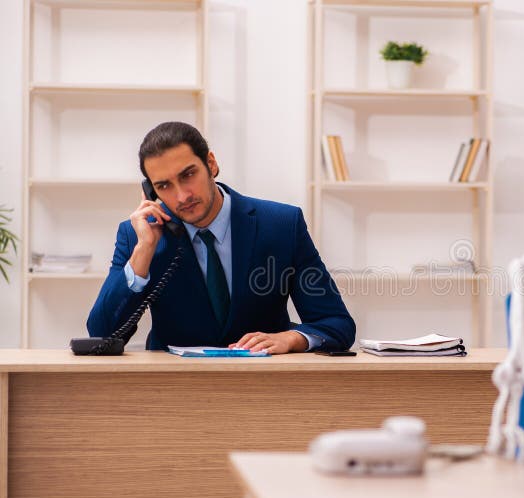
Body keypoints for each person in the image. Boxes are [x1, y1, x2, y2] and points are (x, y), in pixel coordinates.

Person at [87, 122, 355, 354]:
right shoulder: (137, 235)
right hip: (173, 391)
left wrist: (291, 338)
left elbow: (336, 323)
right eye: (164, 186)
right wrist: (144, 250)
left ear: (211, 164)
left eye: (188, 175)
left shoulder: (282, 224)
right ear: (151, 191)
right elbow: (102, 335)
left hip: (266, 388)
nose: (182, 196)